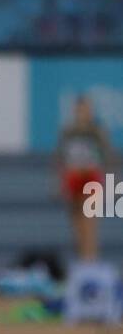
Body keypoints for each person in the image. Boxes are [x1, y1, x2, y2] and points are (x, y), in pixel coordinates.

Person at [54, 94, 116, 261]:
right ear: (75, 111)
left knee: (90, 222)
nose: (83, 112)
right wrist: (59, 184)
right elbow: (60, 159)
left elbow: (107, 156)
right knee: (77, 225)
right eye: (80, 109)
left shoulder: (96, 131)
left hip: (90, 176)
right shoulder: (68, 131)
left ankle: (91, 259)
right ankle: (83, 259)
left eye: (86, 109)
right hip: (73, 177)